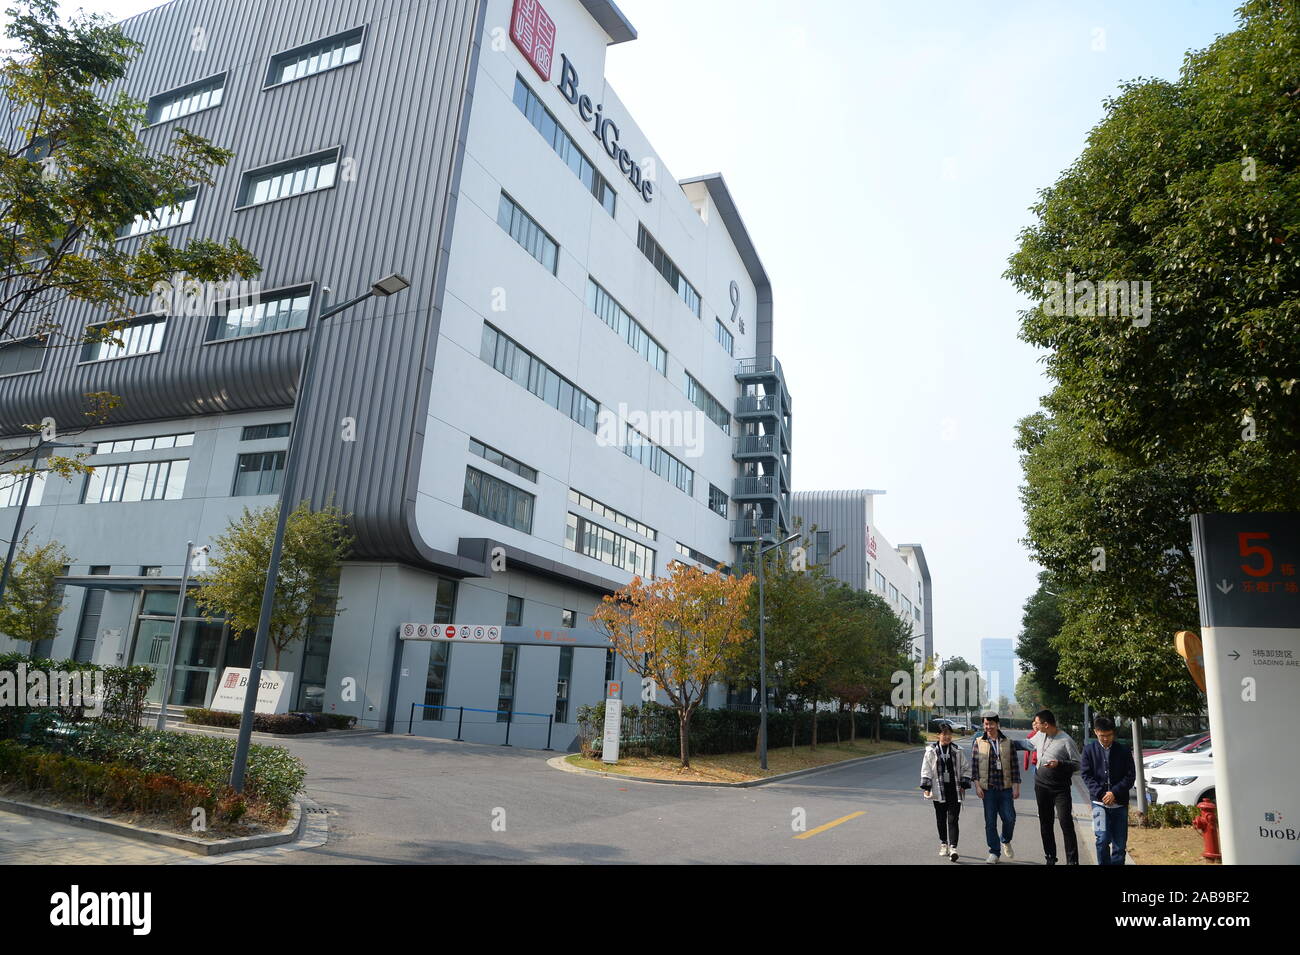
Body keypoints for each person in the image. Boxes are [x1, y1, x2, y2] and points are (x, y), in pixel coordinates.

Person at [970, 712, 1035, 864]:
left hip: (1005, 789)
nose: (989, 727)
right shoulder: (978, 742)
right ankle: (994, 852)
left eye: (991, 723)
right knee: (990, 822)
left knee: (1010, 818)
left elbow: (1014, 767)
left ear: (997, 724)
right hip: (988, 789)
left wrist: (1016, 787)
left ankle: (1005, 839)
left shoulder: (1007, 742)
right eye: (986, 724)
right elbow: (974, 767)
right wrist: (977, 786)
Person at [1080, 715, 1136, 865]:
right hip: (1098, 803)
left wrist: (1114, 792)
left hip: (1120, 804)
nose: (1106, 739)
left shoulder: (1123, 750)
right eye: (1102, 735)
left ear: (1114, 733)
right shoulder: (1088, 750)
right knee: (1102, 840)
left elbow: (1130, 776)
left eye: (1109, 735)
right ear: (1096, 732)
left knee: (1119, 844)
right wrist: (1101, 794)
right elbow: (1086, 774)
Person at [1031, 708, 1082, 865]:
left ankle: (1072, 861)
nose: (1035, 725)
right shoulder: (1040, 735)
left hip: (1060, 789)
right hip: (1041, 786)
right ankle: (1050, 857)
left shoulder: (1066, 740)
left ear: (1046, 724)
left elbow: (1077, 765)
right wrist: (1004, 740)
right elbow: (1027, 744)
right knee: (1045, 823)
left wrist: (1059, 764)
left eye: (1037, 723)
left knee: (1065, 823)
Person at [920, 721, 971, 862]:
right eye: (944, 734)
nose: (947, 737)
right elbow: (926, 770)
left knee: (953, 819)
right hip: (938, 791)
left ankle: (953, 847)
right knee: (941, 819)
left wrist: (964, 783)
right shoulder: (931, 751)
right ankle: (944, 843)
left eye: (949, 734)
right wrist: (926, 788)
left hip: (954, 790)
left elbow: (966, 768)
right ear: (938, 735)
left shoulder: (957, 751)